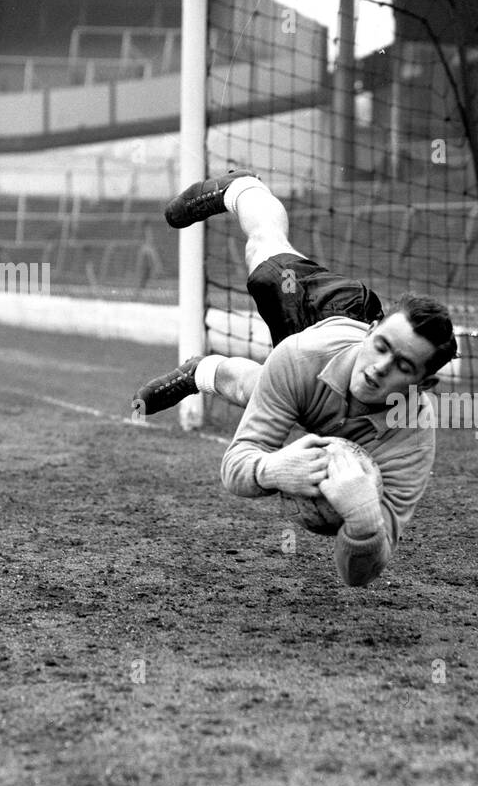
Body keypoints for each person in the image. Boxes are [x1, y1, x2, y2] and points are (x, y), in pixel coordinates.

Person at [133, 170, 458, 587]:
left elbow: (359, 574)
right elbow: (236, 466)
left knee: (266, 389)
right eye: (381, 347)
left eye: (404, 366)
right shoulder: (301, 356)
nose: (380, 367)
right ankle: (242, 189)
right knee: (266, 251)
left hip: (313, 382)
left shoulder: (411, 438)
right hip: (324, 311)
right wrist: (269, 469)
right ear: (373, 329)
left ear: (423, 386)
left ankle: (203, 370)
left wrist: (363, 523)